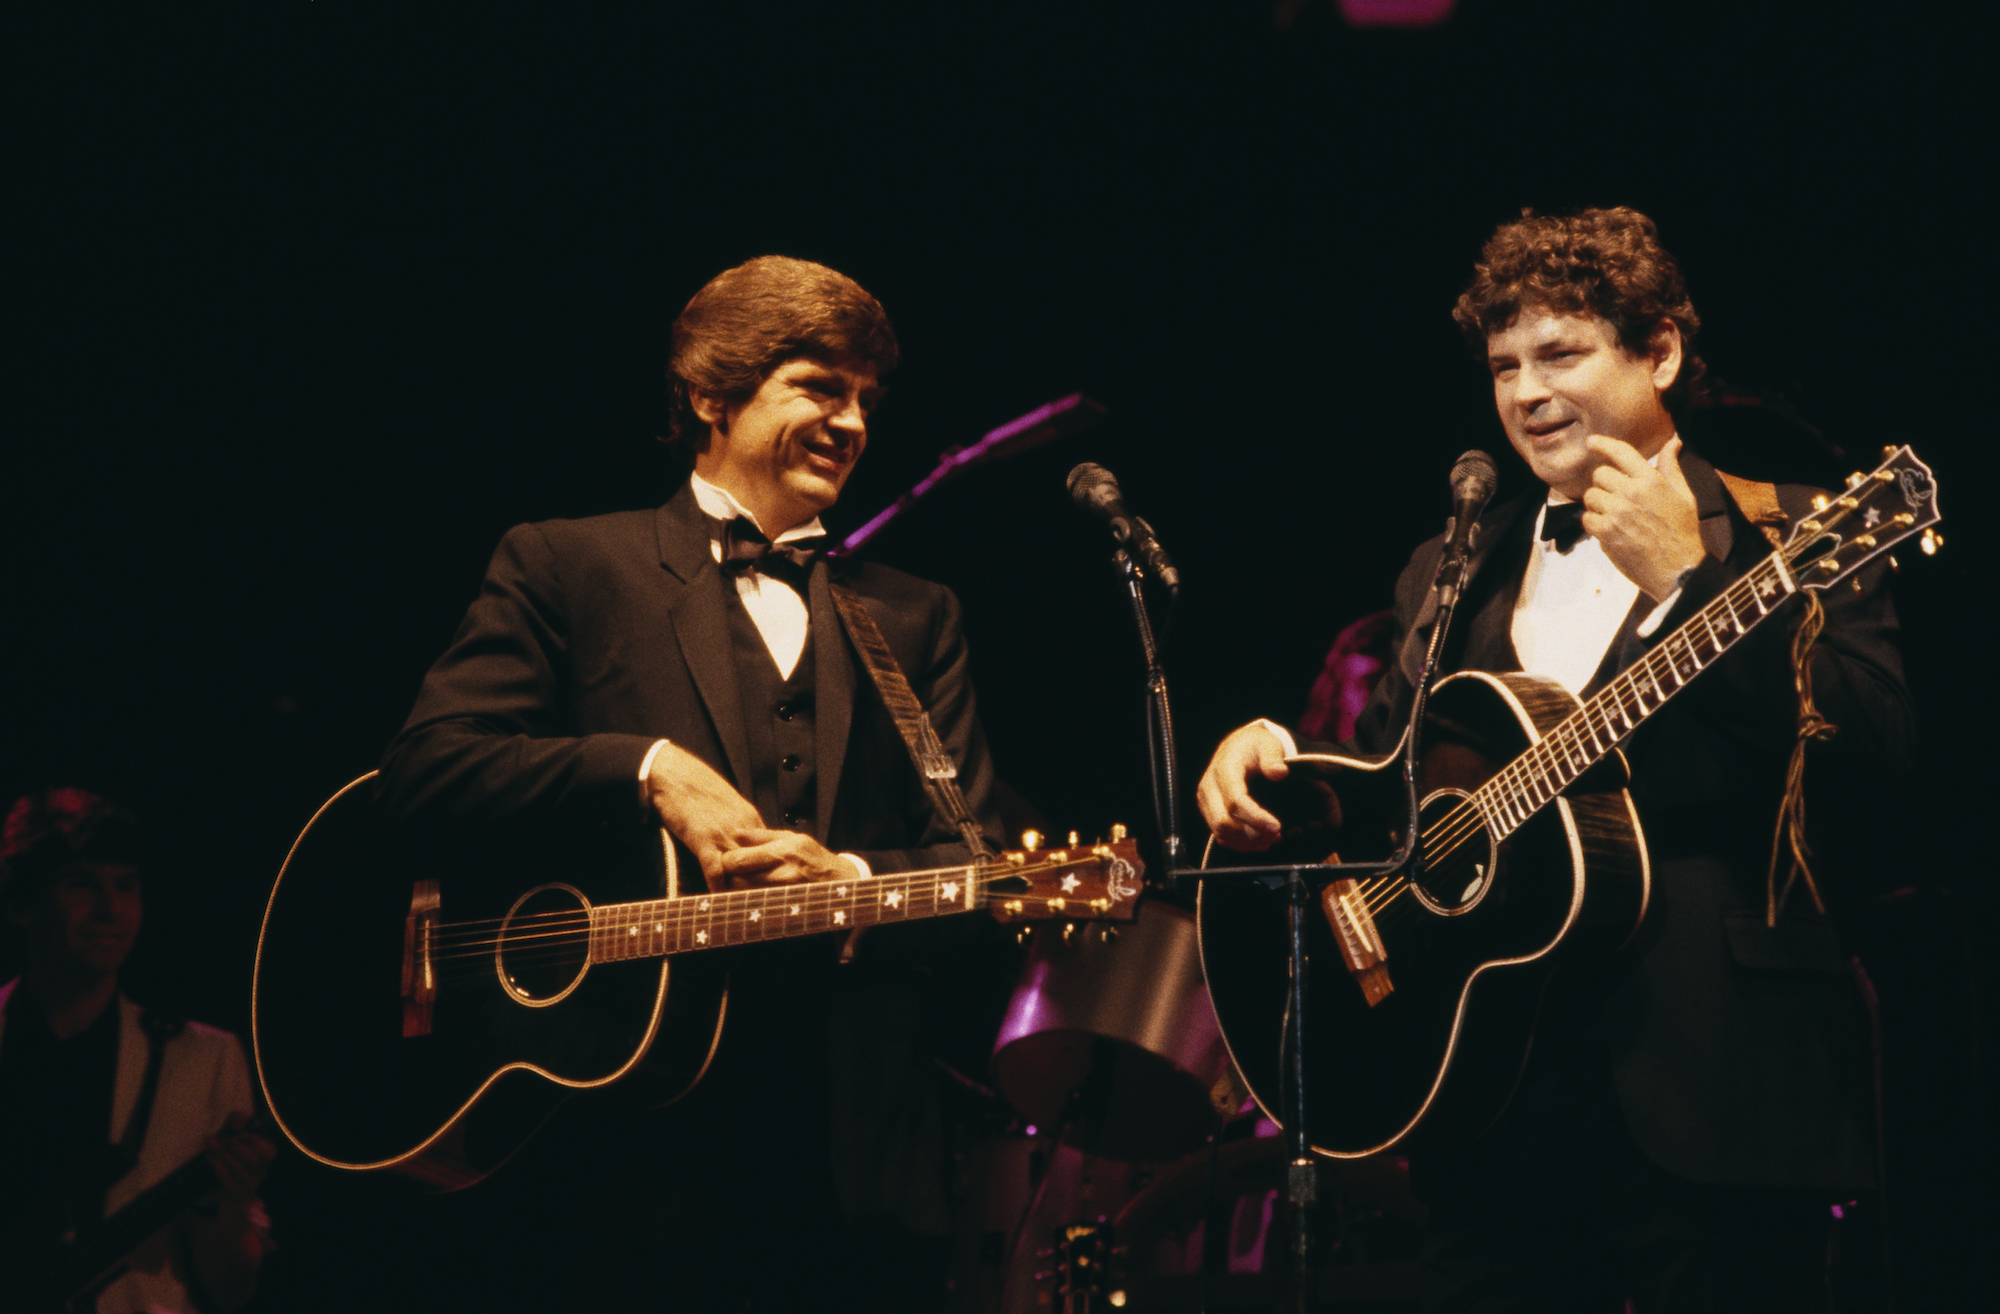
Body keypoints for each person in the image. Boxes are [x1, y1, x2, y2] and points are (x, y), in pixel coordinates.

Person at [1197, 207, 1912, 1311]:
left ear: (1659, 352)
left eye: (1560, 354)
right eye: (1502, 366)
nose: (1525, 393)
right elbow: (1390, 790)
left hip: (1714, 1085)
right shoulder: (1453, 562)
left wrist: (1692, 581)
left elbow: (1873, 749)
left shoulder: (1795, 536)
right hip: (1492, 1091)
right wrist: (1280, 771)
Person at [377, 255, 1003, 1310]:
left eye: (865, 399)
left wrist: (845, 880)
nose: (851, 422)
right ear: (712, 392)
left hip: (857, 1169)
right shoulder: (568, 565)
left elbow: (979, 865)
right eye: (819, 386)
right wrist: (647, 768)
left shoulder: (912, 613)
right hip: (624, 1164)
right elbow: (428, 770)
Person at [0, 787, 274, 1314]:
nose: (112, 908)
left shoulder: (204, 1059)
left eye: (126, 885)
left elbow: (231, 1289)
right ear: (21, 905)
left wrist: (229, 1204)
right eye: (82, 884)